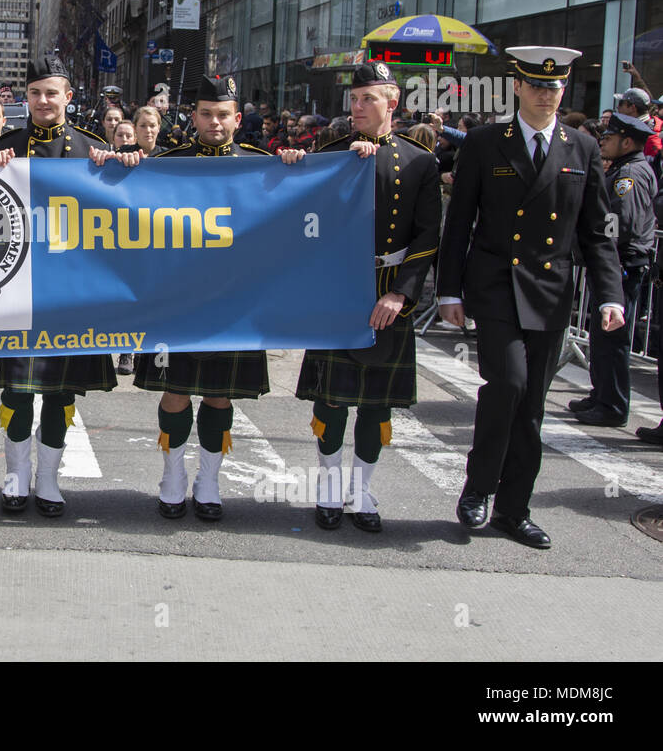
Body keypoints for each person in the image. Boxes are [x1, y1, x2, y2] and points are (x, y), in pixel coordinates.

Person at [440, 47, 624, 549]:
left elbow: (598, 233)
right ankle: (478, 488)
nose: (546, 94)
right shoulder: (484, 143)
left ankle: (513, 509)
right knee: (509, 383)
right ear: (517, 88)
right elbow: (459, 225)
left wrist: (611, 295)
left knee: (532, 407)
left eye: (555, 87)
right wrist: (448, 291)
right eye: (537, 86)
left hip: (549, 292)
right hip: (497, 284)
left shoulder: (581, 149)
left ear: (564, 91)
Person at [0, 54, 141, 516]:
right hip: (17, 289)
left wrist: (125, 164)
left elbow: (126, 206)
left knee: (60, 393)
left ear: (68, 98)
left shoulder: (91, 149)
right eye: (35, 93)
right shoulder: (5, 147)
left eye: (52, 92)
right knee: (17, 391)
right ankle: (15, 478)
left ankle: (48, 480)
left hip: (73, 293)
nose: (43, 101)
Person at [135, 75, 294, 520]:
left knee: (221, 395)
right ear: (193, 117)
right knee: (175, 391)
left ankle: (209, 480)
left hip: (234, 303)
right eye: (205, 113)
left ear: (237, 119)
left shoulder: (263, 166)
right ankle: (172, 476)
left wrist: (296, 164)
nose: (214, 122)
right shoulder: (168, 163)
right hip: (179, 299)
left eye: (223, 114)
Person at [294, 63, 441, 533]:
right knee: (332, 400)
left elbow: (428, 235)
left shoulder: (420, 160)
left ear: (392, 102)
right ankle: (329, 487)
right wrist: (292, 166)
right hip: (339, 287)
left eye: (368, 99)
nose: (357, 107)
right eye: (353, 99)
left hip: (388, 289)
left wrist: (401, 293)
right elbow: (303, 216)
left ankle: (364, 490)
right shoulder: (332, 152)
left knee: (376, 404)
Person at [566, 111, 656, 427]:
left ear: (627, 141)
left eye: (610, 137)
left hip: (623, 264)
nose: (604, 140)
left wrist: (599, 243)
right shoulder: (622, 169)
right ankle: (601, 394)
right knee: (601, 336)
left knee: (613, 338)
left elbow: (621, 222)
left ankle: (612, 405)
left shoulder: (630, 175)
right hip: (615, 263)